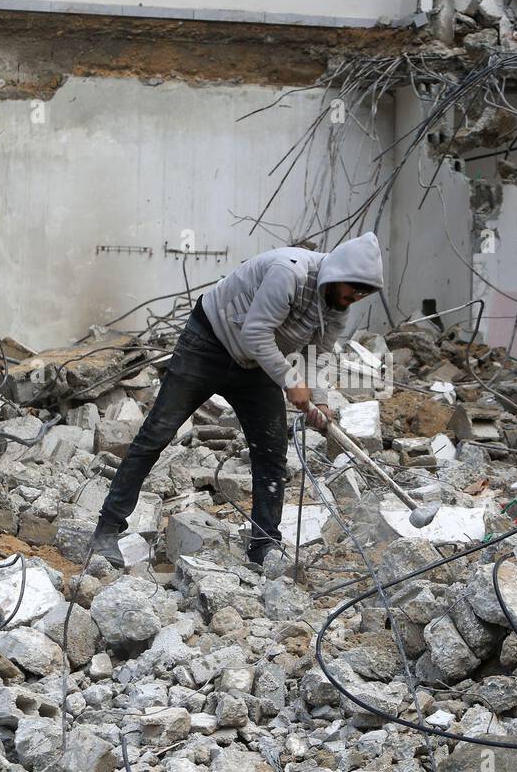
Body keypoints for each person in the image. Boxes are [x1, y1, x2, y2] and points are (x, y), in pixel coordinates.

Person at [88, 232, 385, 568]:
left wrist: (320, 401)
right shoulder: (289, 273)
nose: (354, 298)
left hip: (256, 365)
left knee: (272, 453)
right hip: (208, 344)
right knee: (156, 433)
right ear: (337, 274)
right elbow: (256, 332)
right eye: (353, 289)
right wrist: (291, 382)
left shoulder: (337, 307)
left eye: (363, 294)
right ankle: (107, 530)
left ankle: (264, 546)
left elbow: (317, 356)